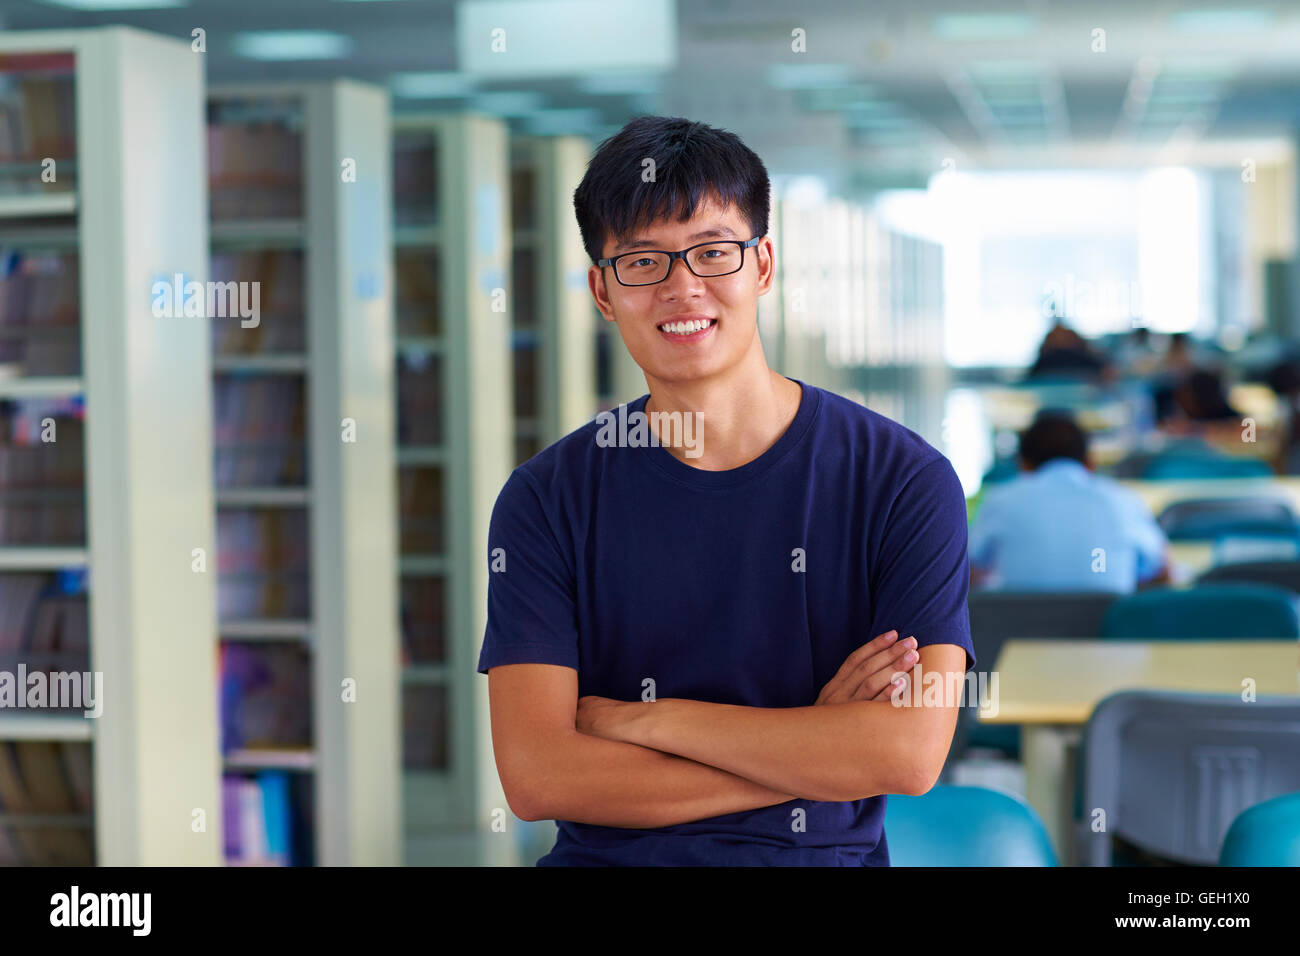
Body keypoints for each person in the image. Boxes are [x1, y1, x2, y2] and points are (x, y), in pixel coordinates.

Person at [476, 115, 975, 866]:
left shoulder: (902, 481)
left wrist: (652, 721)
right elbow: (540, 777)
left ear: (763, 265)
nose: (683, 288)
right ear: (603, 293)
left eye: (713, 252)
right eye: (642, 262)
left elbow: (906, 754)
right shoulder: (546, 499)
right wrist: (813, 743)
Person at [969, 412, 1169, 592]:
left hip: (1019, 626)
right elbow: (1160, 570)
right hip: (1106, 627)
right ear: (1090, 462)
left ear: (1023, 463)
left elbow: (967, 570)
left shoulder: (1000, 501)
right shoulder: (1123, 500)